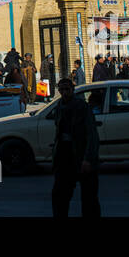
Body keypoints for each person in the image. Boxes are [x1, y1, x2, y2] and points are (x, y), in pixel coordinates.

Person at [51, 78, 99, 217]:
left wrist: (88, 158)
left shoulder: (81, 106)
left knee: (89, 199)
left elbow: (91, 134)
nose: (65, 93)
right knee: (59, 195)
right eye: (62, 90)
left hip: (81, 153)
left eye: (67, 89)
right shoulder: (60, 106)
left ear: (72, 90)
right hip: (65, 155)